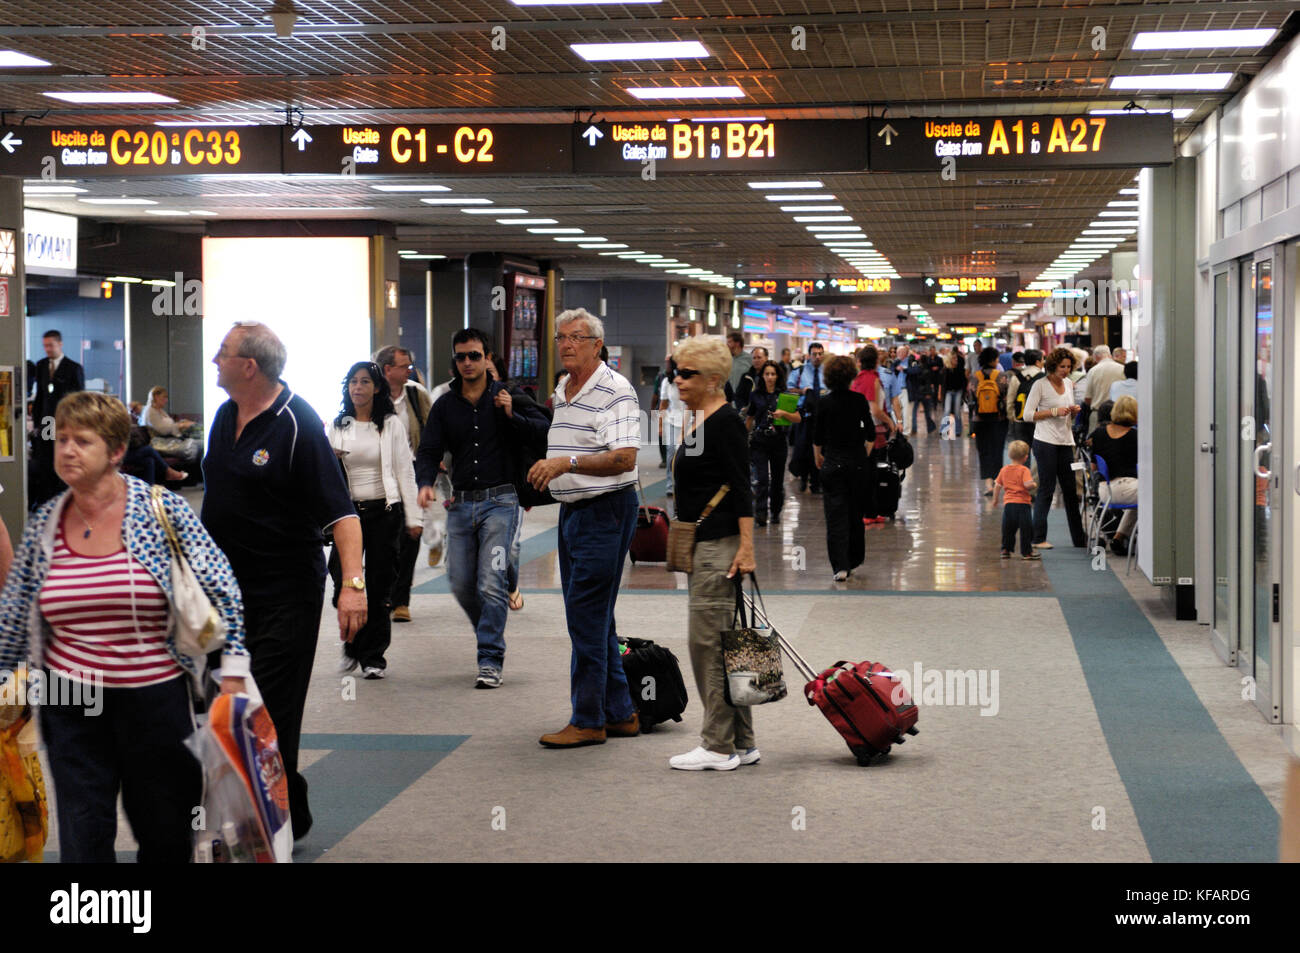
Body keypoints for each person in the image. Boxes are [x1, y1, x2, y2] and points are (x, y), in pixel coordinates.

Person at [0, 392, 250, 862]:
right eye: (63, 439)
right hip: (70, 700)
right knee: (84, 831)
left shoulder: (159, 512)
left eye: (83, 441)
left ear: (115, 452)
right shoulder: (45, 525)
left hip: (153, 697)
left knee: (164, 829)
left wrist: (233, 669)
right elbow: (14, 615)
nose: (67, 449)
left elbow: (223, 588)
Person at [202, 321, 366, 841]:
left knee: (268, 708)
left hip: (284, 595)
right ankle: (286, 807)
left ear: (249, 366)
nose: (214, 361)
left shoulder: (298, 424)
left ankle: (263, 828)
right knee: (224, 705)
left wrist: (352, 587)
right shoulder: (225, 416)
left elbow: (343, 516)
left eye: (222, 353)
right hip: (222, 598)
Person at [528, 309, 641, 749]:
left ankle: (588, 719)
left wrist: (566, 462)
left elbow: (625, 458)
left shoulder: (615, 392)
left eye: (577, 337)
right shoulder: (565, 387)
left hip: (606, 511)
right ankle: (620, 712)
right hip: (574, 511)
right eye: (561, 337)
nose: (567, 344)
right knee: (596, 617)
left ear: (598, 344)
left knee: (585, 617)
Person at [415, 329, 548, 690]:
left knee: (491, 582)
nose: (468, 363)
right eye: (461, 357)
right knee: (460, 583)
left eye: (475, 355)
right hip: (461, 503)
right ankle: (489, 629)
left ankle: (490, 657)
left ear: (487, 357)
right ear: (454, 361)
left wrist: (511, 415)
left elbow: (544, 430)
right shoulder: (445, 404)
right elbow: (428, 450)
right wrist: (425, 482)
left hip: (502, 502)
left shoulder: (510, 395)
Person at [663, 336, 756, 771]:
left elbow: (743, 490)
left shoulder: (726, 423)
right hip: (705, 543)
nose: (677, 380)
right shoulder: (701, 420)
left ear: (715, 380)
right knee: (724, 642)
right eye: (676, 372)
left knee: (708, 645)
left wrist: (747, 549)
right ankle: (742, 740)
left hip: (720, 548)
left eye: (687, 374)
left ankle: (717, 746)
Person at [327, 361, 422, 679]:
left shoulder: (390, 424)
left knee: (381, 586)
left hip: (384, 512)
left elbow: (404, 471)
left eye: (365, 382)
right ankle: (352, 644)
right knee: (343, 579)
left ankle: (373, 656)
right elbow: (325, 476)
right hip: (348, 516)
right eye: (353, 381)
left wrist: (413, 516)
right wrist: (333, 459)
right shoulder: (340, 424)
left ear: (377, 387)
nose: (357, 387)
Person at [375, 345, 432, 624]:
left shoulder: (416, 393)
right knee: (387, 536)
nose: (410, 369)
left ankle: (401, 601)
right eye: (404, 365)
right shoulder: (372, 396)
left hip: (412, 470)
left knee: (412, 534)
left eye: (410, 365)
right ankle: (385, 593)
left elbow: (432, 429)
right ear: (387, 370)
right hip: (380, 474)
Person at [814, 355, 876, 581]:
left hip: (833, 463)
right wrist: (863, 455)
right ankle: (854, 559)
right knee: (854, 514)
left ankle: (839, 566)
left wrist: (818, 458)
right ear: (851, 375)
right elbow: (870, 434)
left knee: (835, 515)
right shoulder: (859, 400)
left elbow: (817, 437)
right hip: (857, 464)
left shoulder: (824, 402)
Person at [1021, 347, 1087, 550]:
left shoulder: (1068, 384)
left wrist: (1074, 412)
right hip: (1045, 442)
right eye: (1062, 366)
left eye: (1069, 366)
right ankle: (1038, 537)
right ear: (1052, 366)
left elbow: (1068, 415)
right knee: (1046, 490)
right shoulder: (1040, 385)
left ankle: (1079, 539)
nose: (1066, 370)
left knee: (1070, 491)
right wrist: (1053, 412)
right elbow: (1027, 415)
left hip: (1066, 442)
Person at [30, 330, 86, 508]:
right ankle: (47, 501)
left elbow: (79, 399)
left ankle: (65, 500)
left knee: (63, 458)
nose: (47, 349)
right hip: (47, 422)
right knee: (46, 461)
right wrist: (37, 423)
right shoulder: (41, 366)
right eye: (45, 346)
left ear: (60, 344)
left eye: (50, 345)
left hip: (66, 422)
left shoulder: (73, 368)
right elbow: (40, 396)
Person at [746, 360, 800, 526]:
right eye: (767, 374)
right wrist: (743, 437)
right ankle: (761, 513)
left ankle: (776, 511)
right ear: (762, 376)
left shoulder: (784, 395)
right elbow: (750, 418)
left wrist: (784, 413)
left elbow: (797, 418)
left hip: (778, 441)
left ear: (777, 376)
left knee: (777, 480)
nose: (770, 377)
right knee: (762, 479)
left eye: (773, 374)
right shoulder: (755, 394)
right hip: (760, 440)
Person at [1088, 394, 1139, 556]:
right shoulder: (1136, 436)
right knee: (1152, 493)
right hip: (1128, 488)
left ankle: (1119, 536)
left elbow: (1094, 467)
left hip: (1105, 491)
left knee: (1143, 495)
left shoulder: (1098, 434)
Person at [787, 342, 827, 492]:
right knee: (803, 448)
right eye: (815, 354)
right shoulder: (800, 371)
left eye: (820, 354)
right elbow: (790, 388)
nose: (817, 357)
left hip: (822, 415)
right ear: (809, 355)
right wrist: (802, 391)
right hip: (804, 415)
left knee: (820, 448)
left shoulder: (827, 371)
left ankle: (816, 482)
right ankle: (804, 478)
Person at [971, 346, 1010, 497]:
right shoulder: (1001, 376)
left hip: (979, 419)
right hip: (998, 419)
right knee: (997, 450)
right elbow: (1006, 396)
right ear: (993, 360)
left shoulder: (976, 376)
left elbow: (970, 398)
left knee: (983, 451)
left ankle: (988, 483)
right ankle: (997, 481)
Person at [995, 440, 1039, 560]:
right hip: (1023, 505)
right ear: (1026, 457)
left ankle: (1005, 549)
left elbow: (997, 486)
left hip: (1008, 505)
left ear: (1009, 455)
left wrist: (995, 500)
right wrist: (1034, 484)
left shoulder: (1004, 470)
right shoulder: (1024, 470)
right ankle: (1026, 552)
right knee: (1026, 529)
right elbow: (1028, 485)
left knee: (1008, 529)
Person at [140, 386, 201, 466]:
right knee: (194, 446)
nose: (166, 400)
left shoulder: (160, 411)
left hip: (167, 440)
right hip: (159, 442)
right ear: (156, 397)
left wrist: (181, 424)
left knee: (200, 443)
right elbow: (162, 429)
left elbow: (169, 426)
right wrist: (180, 425)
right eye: (164, 397)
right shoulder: (150, 411)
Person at [1080, 346, 1125, 435]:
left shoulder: (1093, 371)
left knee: (1096, 443)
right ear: (1109, 355)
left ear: (1095, 357)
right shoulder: (1122, 369)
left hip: (1098, 415)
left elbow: (1087, 398)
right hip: (1119, 415)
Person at [1007, 348, 1044, 447]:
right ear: (1037, 362)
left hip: (1020, 418)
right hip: (1039, 420)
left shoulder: (1016, 377)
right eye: (1042, 360)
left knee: (1022, 452)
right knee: (1039, 453)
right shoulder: (1044, 378)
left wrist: (1012, 417)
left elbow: (1010, 400)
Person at [659, 359, 684, 497]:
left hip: (690, 420)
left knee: (687, 453)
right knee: (670, 452)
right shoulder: (666, 382)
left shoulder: (687, 380)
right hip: (672, 420)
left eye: (669, 364)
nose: (666, 366)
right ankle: (670, 485)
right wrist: (660, 426)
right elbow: (662, 405)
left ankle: (684, 484)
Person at [938, 349, 968, 437]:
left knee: (957, 411)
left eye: (956, 359)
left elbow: (963, 381)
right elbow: (941, 383)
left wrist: (964, 392)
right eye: (954, 359)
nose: (956, 360)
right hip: (948, 392)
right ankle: (944, 429)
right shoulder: (945, 370)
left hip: (958, 391)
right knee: (947, 410)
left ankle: (958, 430)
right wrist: (940, 393)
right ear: (950, 359)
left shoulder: (960, 369)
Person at [725, 331, 750, 396]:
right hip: (733, 399)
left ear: (737, 343)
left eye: (729, 342)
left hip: (746, 398)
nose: (727, 345)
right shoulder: (728, 360)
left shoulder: (750, 359)